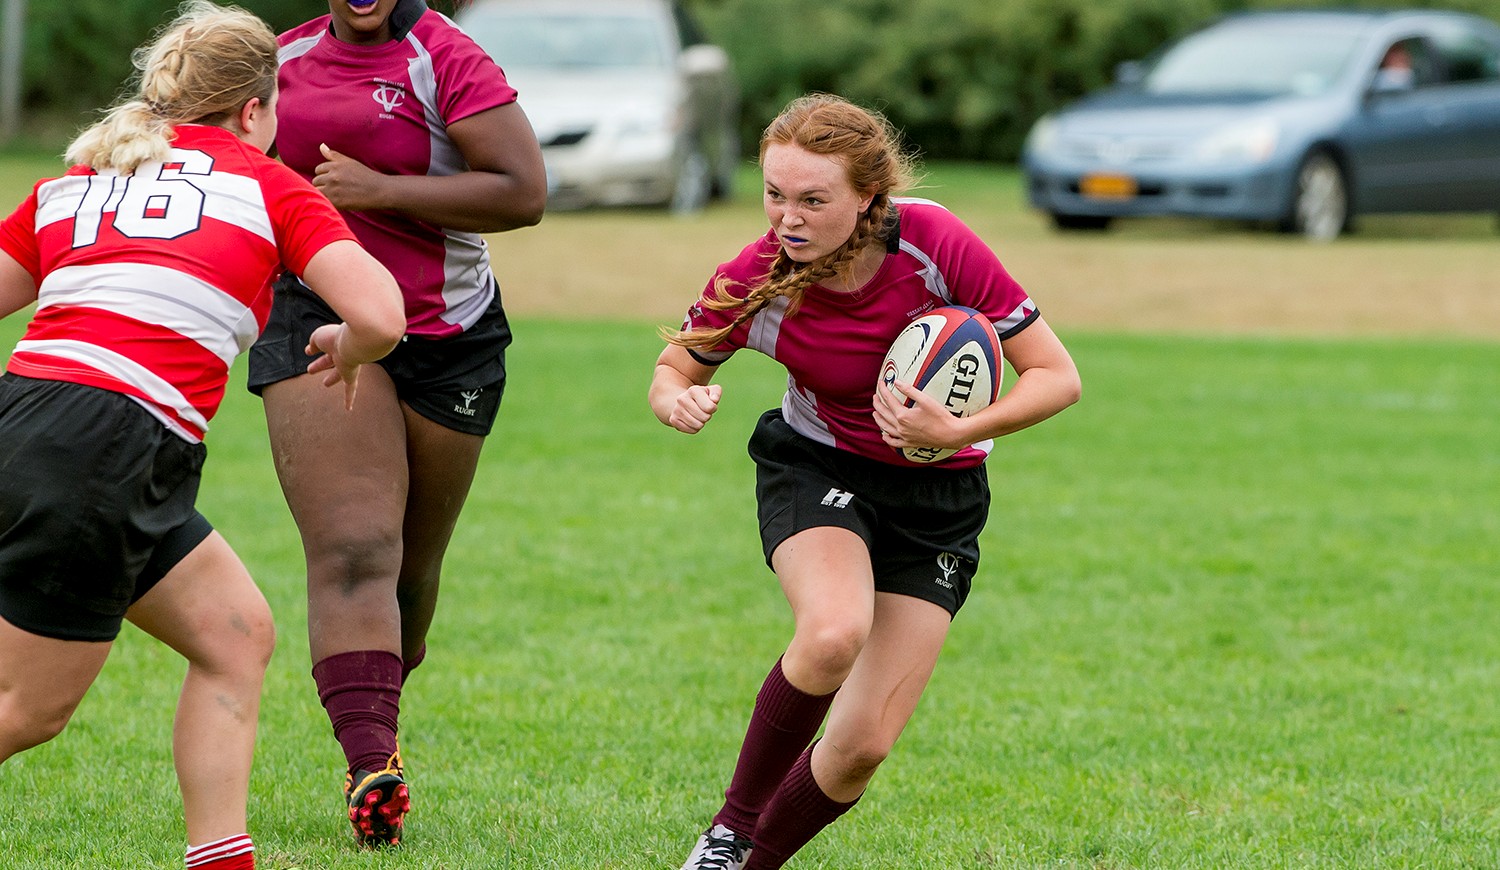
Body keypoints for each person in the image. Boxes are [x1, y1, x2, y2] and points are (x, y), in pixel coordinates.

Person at [0, 3, 406, 870]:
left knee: (235, 633)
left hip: (33, 421)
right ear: (256, 110)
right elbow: (380, 313)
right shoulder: (267, 184)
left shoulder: (78, 179)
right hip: (111, 445)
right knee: (26, 710)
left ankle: (221, 857)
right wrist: (350, 344)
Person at [650, 93, 1082, 870]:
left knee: (860, 747)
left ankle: (751, 866)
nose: (788, 218)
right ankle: (729, 832)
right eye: (775, 195)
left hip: (939, 499)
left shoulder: (935, 244)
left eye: (813, 199)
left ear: (869, 198)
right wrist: (675, 397)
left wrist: (955, 431)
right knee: (831, 634)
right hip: (819, 466)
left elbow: (1057, 376)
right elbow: (675, 363)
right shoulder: (760, 277)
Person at [248, 0, 547, 848]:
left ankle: (381, 708)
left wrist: (383, 193)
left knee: (411, 572)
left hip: (446, 335)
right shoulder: (280, 59)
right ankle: (371, 763)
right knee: (355, 548)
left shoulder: (445, 57)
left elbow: (523, 194)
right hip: (311, 311)